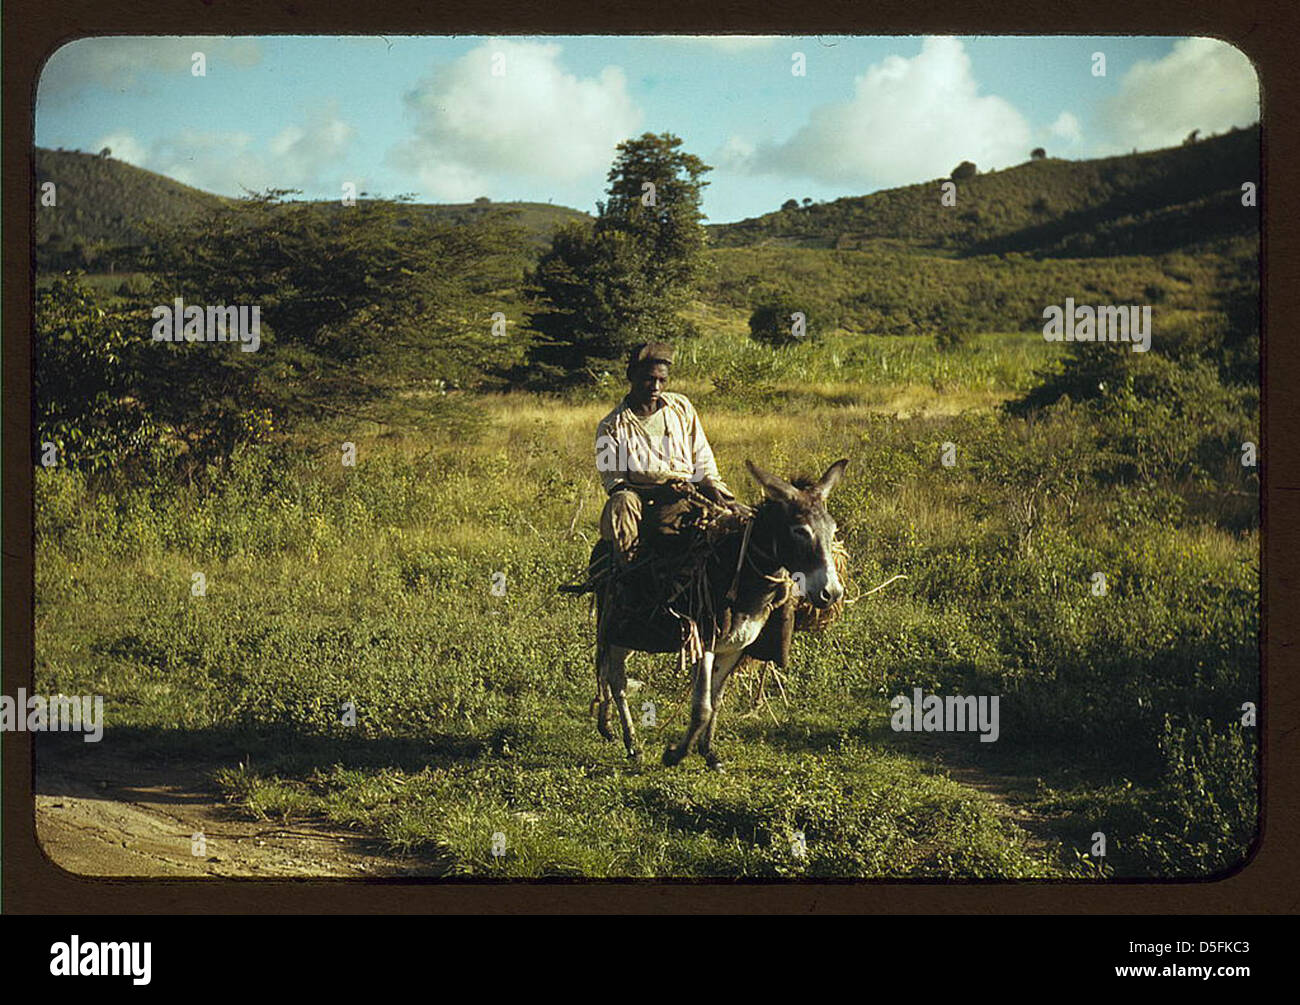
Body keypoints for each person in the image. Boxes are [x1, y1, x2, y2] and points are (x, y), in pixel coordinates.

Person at [595, 341, 741, 567]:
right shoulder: (611, 426)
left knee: (742, 524)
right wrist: (660, 489)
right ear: (631, 377)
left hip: (689, 490)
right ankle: (629, 572)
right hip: (644, 498)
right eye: (648, 379)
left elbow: (701, 455)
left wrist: (711, 485)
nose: (655, 386)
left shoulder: (680, 407)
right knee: (621, 502)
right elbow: (614, 482)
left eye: (662, 380)